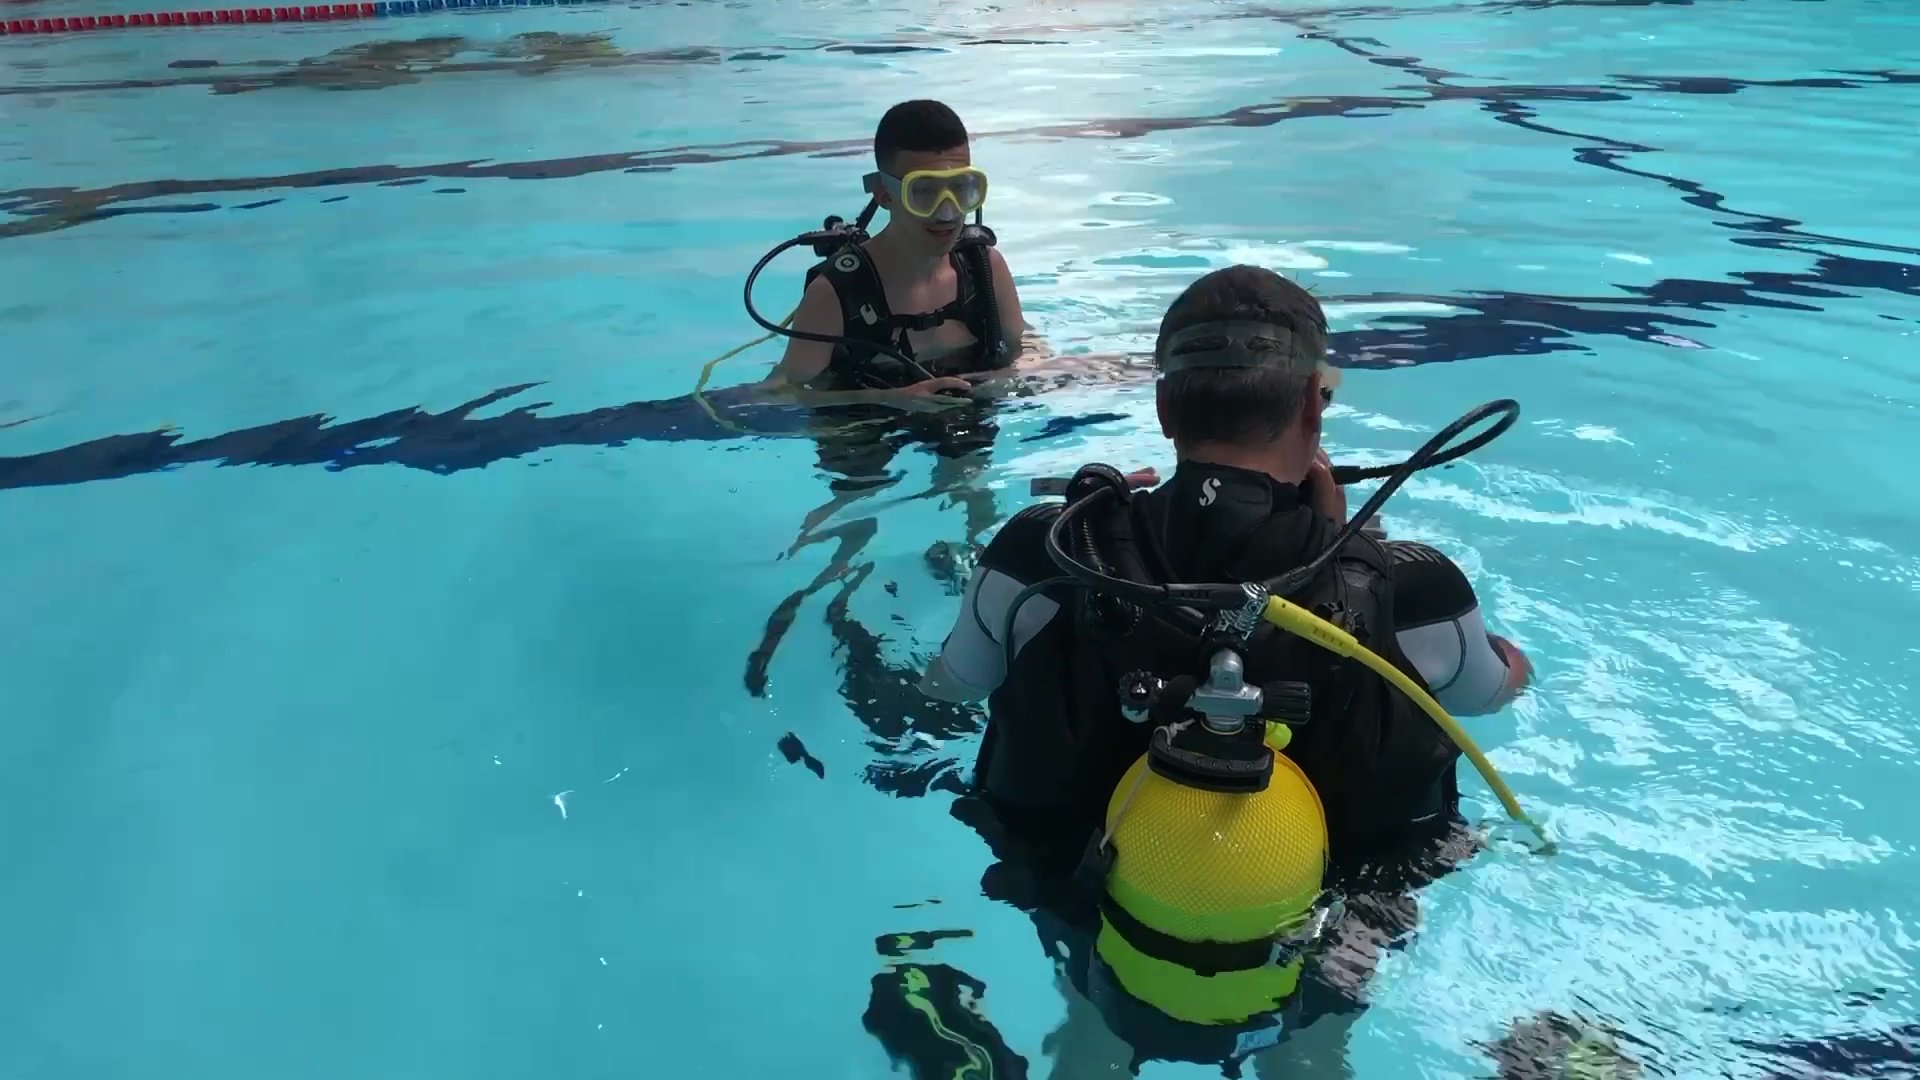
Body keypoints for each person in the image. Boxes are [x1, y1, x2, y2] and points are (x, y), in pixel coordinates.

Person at [917, 264, 1534, 1077]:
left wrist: (1094, 525)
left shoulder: (1046, 554)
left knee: (1093, 1008)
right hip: (1332, 923)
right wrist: (1345, 554)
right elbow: (1493, 693)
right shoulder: (1415, 591)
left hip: (1097, 898)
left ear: (1164, 409)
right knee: (1316, 1039)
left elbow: (951, 684)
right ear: (1313, 404)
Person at [744, 99, 1032, 696]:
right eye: (926, 192)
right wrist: (896, 401)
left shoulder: (984, 267)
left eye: (963, 188)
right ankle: (834, 605)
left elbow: (1021, 353)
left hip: (954, 407)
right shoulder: (839, 290)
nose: (948, 211)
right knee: (856, 519)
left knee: (974, 490)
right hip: (861, 417)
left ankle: (979, 601)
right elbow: (781, 396)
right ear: (882, 192)